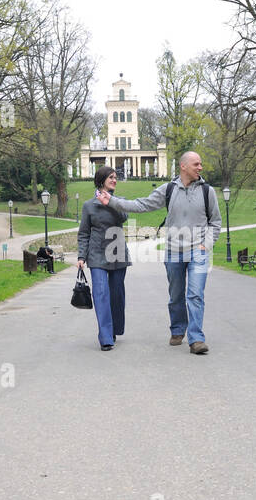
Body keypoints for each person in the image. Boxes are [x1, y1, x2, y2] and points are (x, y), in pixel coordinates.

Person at [99, 151, 220, 355]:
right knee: (175, 296)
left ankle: (196, 339)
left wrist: (206, 245)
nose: (200, 167)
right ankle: (177, 329)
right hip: (174, 252)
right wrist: (112, 201)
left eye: (200, 164)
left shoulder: (207, 192)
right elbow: (142, 204)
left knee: (195, 295)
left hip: (198, 251)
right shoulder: (169, 190)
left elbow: (215, 222)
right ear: (183, 166)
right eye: (196, 164)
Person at [77, 166, 130, 351]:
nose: (115, 180)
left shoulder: (120, 201)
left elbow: (124, 217)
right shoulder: (88, 205)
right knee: (100, 294)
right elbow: (84, 233)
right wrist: (81, 256)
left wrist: (112, 202)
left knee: (117, 295)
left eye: (116, 177)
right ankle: (106, 337)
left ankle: (115, 328)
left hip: (117, 252)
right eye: (111, 177)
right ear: (101, 180)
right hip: (97, 254)